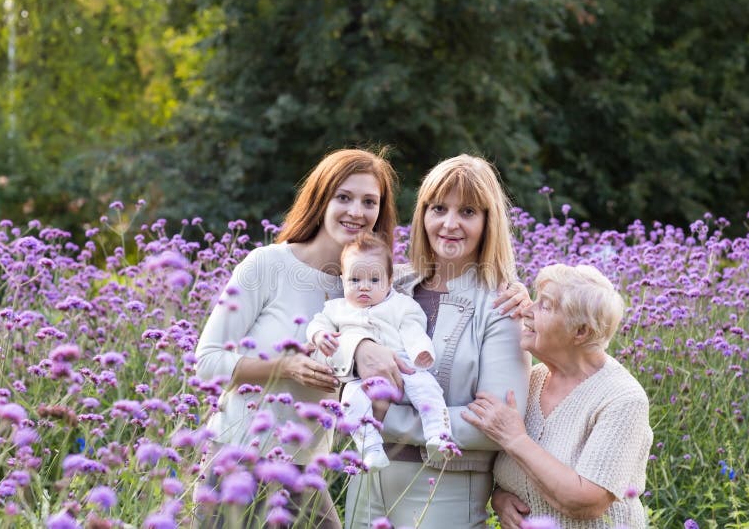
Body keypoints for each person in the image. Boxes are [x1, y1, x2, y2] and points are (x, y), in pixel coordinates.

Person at [192, 148, 399, 528]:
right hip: (239, 463)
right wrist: (285, 367)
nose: (357, 211)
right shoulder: (268, 265)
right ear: (321, 200)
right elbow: (205, 364)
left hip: (307, 470)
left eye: (369, 201)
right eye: (344, 197)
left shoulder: (370, 286)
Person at [342, 155, 533, 528]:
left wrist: (379, 419)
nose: (449, 224)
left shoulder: (500, 305)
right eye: (438, 208)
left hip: (445, 486)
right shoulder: (390, 284)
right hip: (365, 479)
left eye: (467, 212)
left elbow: (494, 424)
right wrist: (357, 348)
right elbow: (335, 339)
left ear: (487, 221)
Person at [463, 264, 653, 529]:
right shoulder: (531, 380)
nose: (527, 310)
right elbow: (516, 474)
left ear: (580, 332)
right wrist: (500, 499)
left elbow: (587, 501)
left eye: (545, 306)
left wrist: (515, 439)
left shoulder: (622, 399)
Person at [307, 232, 451, 472]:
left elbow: (412, 328)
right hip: (360, 378)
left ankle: (438, 432)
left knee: (427, 388)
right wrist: (319, 335)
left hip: (404, 366)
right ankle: (370, 447)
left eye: (374, 280)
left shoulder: (400, 305)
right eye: (354, 280)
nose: (364, 287)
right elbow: (317, 323)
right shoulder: (337, 309)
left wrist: (421, 351)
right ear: (343, 279)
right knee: (351, 401)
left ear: (389, 280)